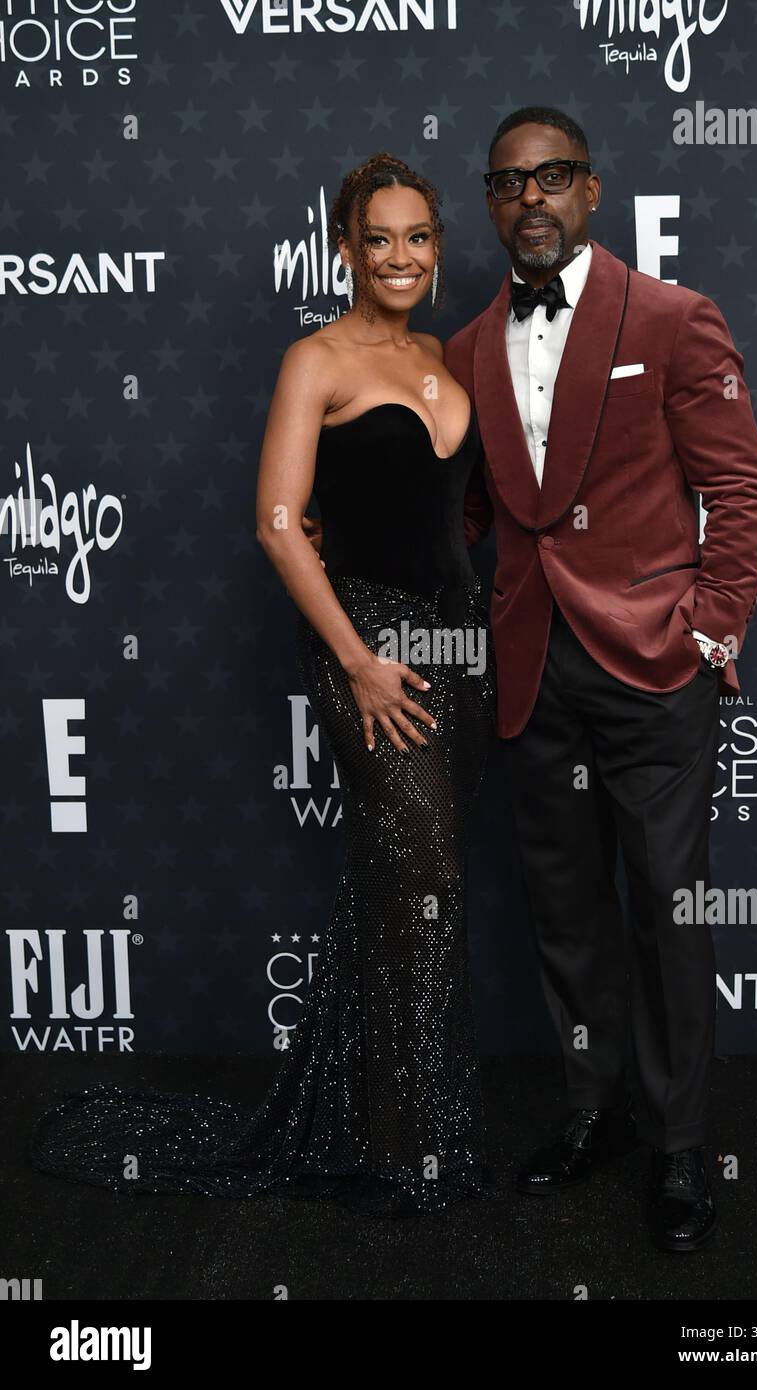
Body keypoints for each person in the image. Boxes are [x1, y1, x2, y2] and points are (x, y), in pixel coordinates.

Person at [29, 153, 496, 1219]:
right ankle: (405, 1152)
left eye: (417, 236)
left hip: (459, 645)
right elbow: (278, 527)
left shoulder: (442, 356)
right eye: (376, 238)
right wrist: (357, 659)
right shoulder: (314, 360)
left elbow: (453, 513)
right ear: (343, 246)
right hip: (365, 640)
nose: (399, 256)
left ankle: (372, 1116)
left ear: (437, 245)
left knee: (398, 886)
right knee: (422, 882)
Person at [444, 106, 757, 1251]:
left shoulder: (673, 320)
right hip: (532, 668)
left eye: (551, 177)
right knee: (567, 917)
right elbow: (481, 512)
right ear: (489, 205)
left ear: (591, 191)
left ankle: (680, 1145)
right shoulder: (469, 348)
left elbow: (739, 492)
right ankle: (598, 1116)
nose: (529, 199)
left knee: (668, 918)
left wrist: (707, 634)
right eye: (506, 182)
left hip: (650, 667)